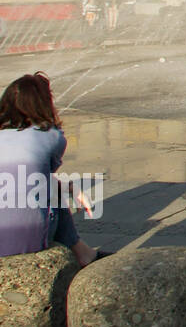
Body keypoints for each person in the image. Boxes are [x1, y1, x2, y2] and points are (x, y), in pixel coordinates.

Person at [0, 73, 106, 265]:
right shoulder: (51, 136)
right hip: (28, 239)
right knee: (51, 193)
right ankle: (83, 254)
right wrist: (73, 188)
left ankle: (83, 252)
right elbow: (44, 180)